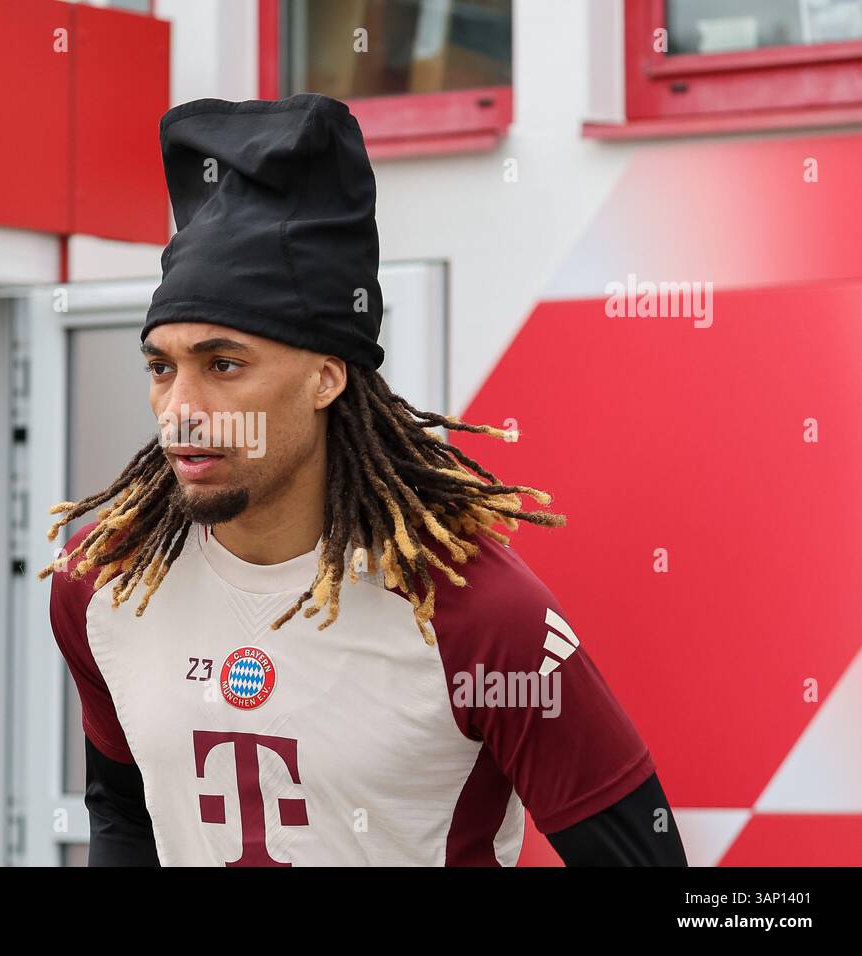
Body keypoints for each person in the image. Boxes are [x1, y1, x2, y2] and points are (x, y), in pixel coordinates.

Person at [43, 93, 686, 867]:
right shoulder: (104, 582)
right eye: (160, 367)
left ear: (324, 377)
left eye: (223, 365)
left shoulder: (480, 615)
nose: (180, 410)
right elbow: (122, 813)